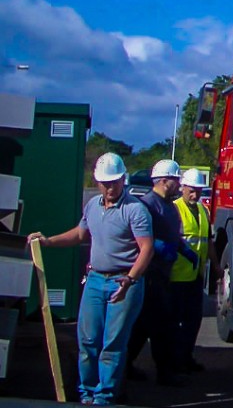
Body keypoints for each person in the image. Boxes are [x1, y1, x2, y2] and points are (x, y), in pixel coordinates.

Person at [27, 152, 154, 406]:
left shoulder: (135, 210)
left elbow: (146, 249)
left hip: (123, 282)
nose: (109, 187)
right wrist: (48, 242)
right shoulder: (93, 206)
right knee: (88, 340)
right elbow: (80, 234)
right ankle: (86, 393)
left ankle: (105, 396)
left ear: (123, 180)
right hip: (96, 280)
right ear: (97, 182)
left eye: (114, 182)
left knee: (112, 343)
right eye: (104, 182)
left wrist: (129, 279)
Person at [126, 159, 197, 385]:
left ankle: (130, 366)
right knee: (157, 325)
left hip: (164, 275)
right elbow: (137, 236)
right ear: (164, 181)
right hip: (150, 275)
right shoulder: (147, 205)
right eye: (176, 180)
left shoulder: (169, 206)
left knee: (149, 325)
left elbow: (174, 236)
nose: (179, 184)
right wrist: (157, 246)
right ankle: (163, 373)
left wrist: (183, 249)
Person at [170, 167, 220, 372]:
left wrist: (215, 266)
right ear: (182, 187)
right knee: (174, 323)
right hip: (176, 277)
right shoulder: (174, 209)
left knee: (192, 321)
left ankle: (186, 357)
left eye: (198, 190)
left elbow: (207, 241)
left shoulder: (202, 211)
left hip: (196, 275)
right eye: (191, 190)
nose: (195, 194)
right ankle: (173, 361)